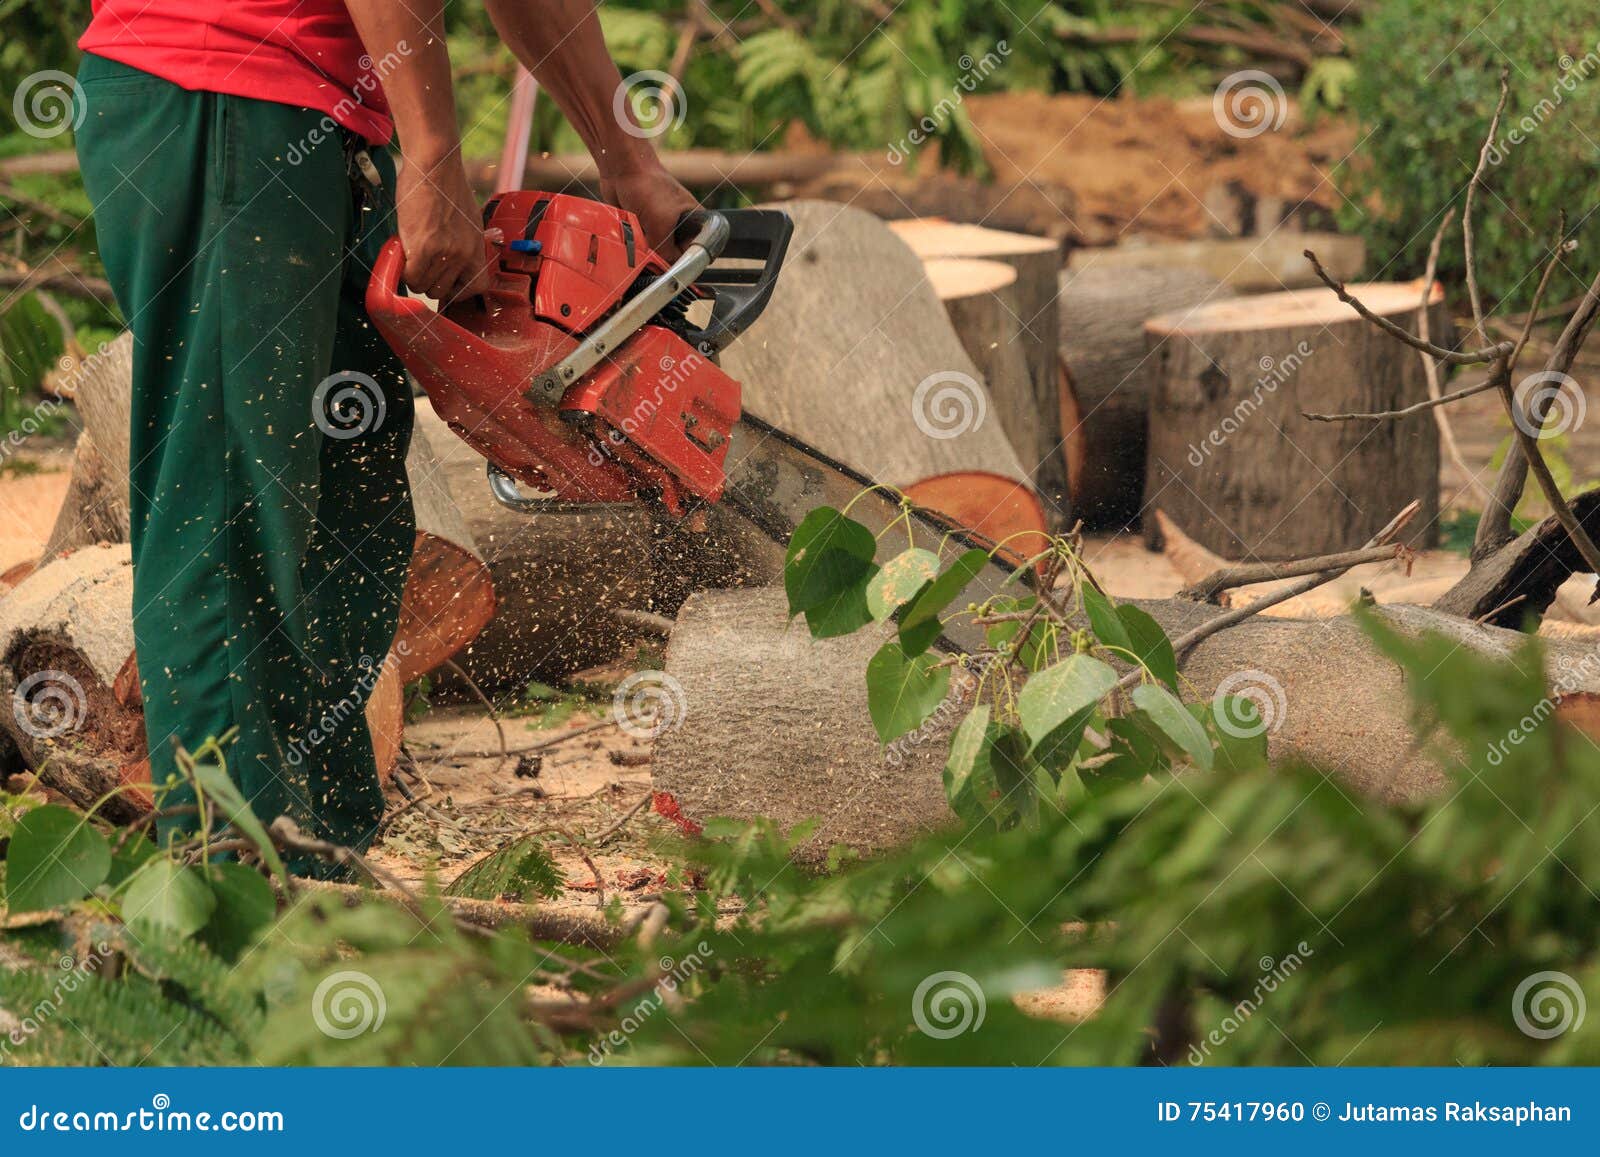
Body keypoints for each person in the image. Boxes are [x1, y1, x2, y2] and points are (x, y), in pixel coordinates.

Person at [72, 0, 698, 868]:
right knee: (230, 517)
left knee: (352, 511)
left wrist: (628, 162)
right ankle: (228, 896)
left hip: (329, 121)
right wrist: (434, 152)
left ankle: (323, 867)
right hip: (223, 85)